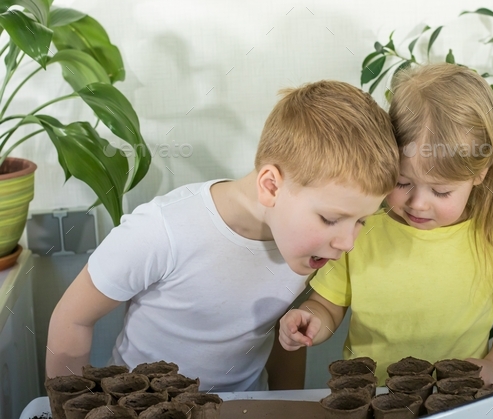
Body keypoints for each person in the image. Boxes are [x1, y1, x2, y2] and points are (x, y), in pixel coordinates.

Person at [45, 80, 399, 392]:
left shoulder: (307, 244)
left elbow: (283, 335)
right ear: (271, 186)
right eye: (331, 218)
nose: (347, 243)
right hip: (142, 405)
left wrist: (283, 404)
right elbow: (72, 318)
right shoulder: (162, 229)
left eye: (361, 222)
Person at [279, 64, 493, 387]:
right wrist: (311, 321)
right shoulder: (359, 232)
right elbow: (327, 306)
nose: (418, 203)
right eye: (403, 182)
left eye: (441, 190)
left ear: (480, 173)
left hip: (456, 401)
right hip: (371, 400)